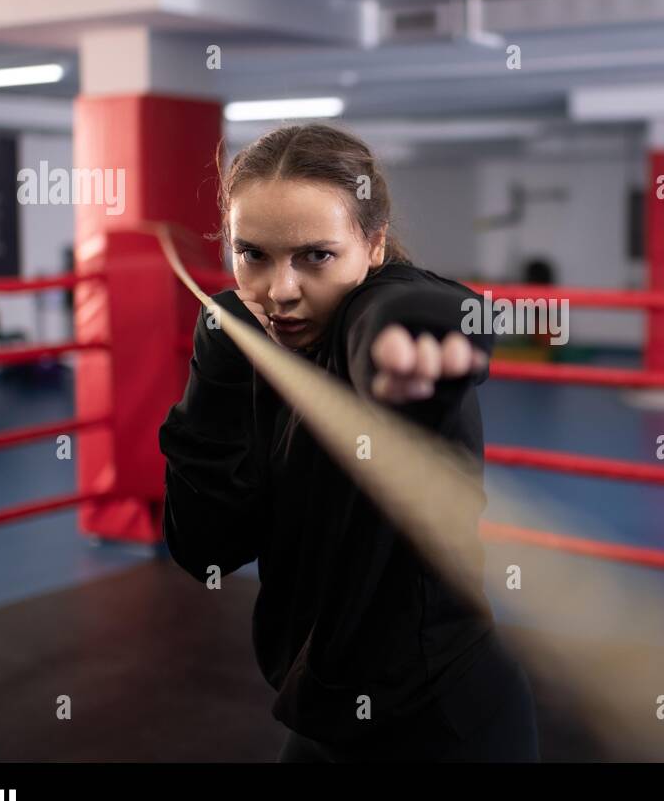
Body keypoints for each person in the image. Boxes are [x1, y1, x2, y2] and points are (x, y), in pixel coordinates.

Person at [157, 123, 539, 762]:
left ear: (375, 246)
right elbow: (207, 551)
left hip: (445, 723)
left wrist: (401, 351)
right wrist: (218, 373)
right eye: (253, 253)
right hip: (322, 713)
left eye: (316, 256)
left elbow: (418, 305)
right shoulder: (245, 339)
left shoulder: (376, 312)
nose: (281, 290)